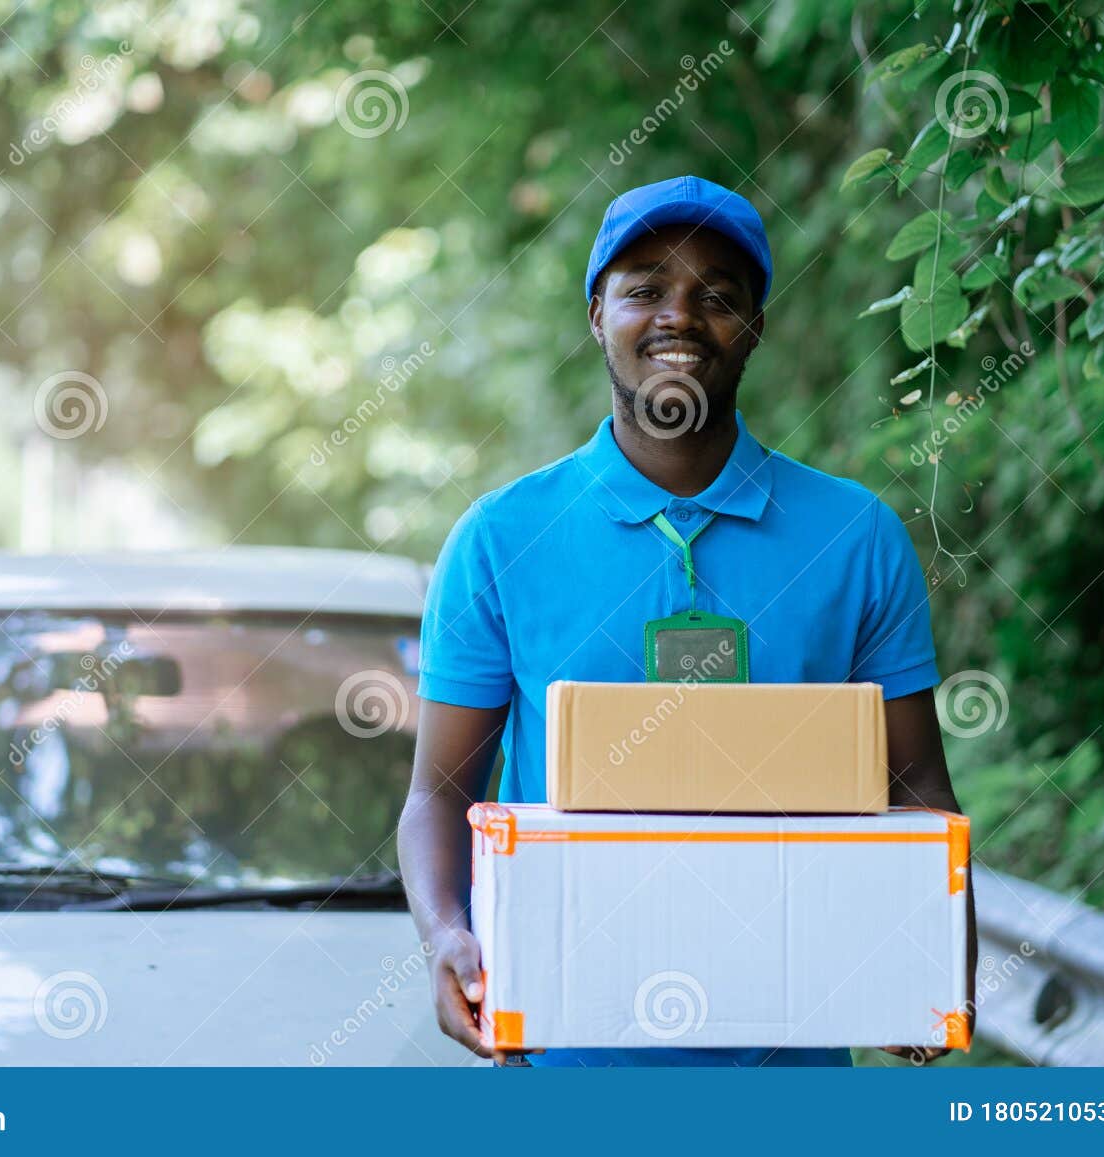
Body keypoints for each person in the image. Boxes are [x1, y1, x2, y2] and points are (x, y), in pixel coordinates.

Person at [397, 174, 976, 1067]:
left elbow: (920, 788)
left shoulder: (855, 536)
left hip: (791, 1071)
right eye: (645, 289)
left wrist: (932, 953)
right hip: (566, 1062)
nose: (679, 315)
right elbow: (441, 793)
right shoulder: (501, 538)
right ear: (597, 315)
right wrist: (446, 934)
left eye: (717, 295)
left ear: (755, 325)